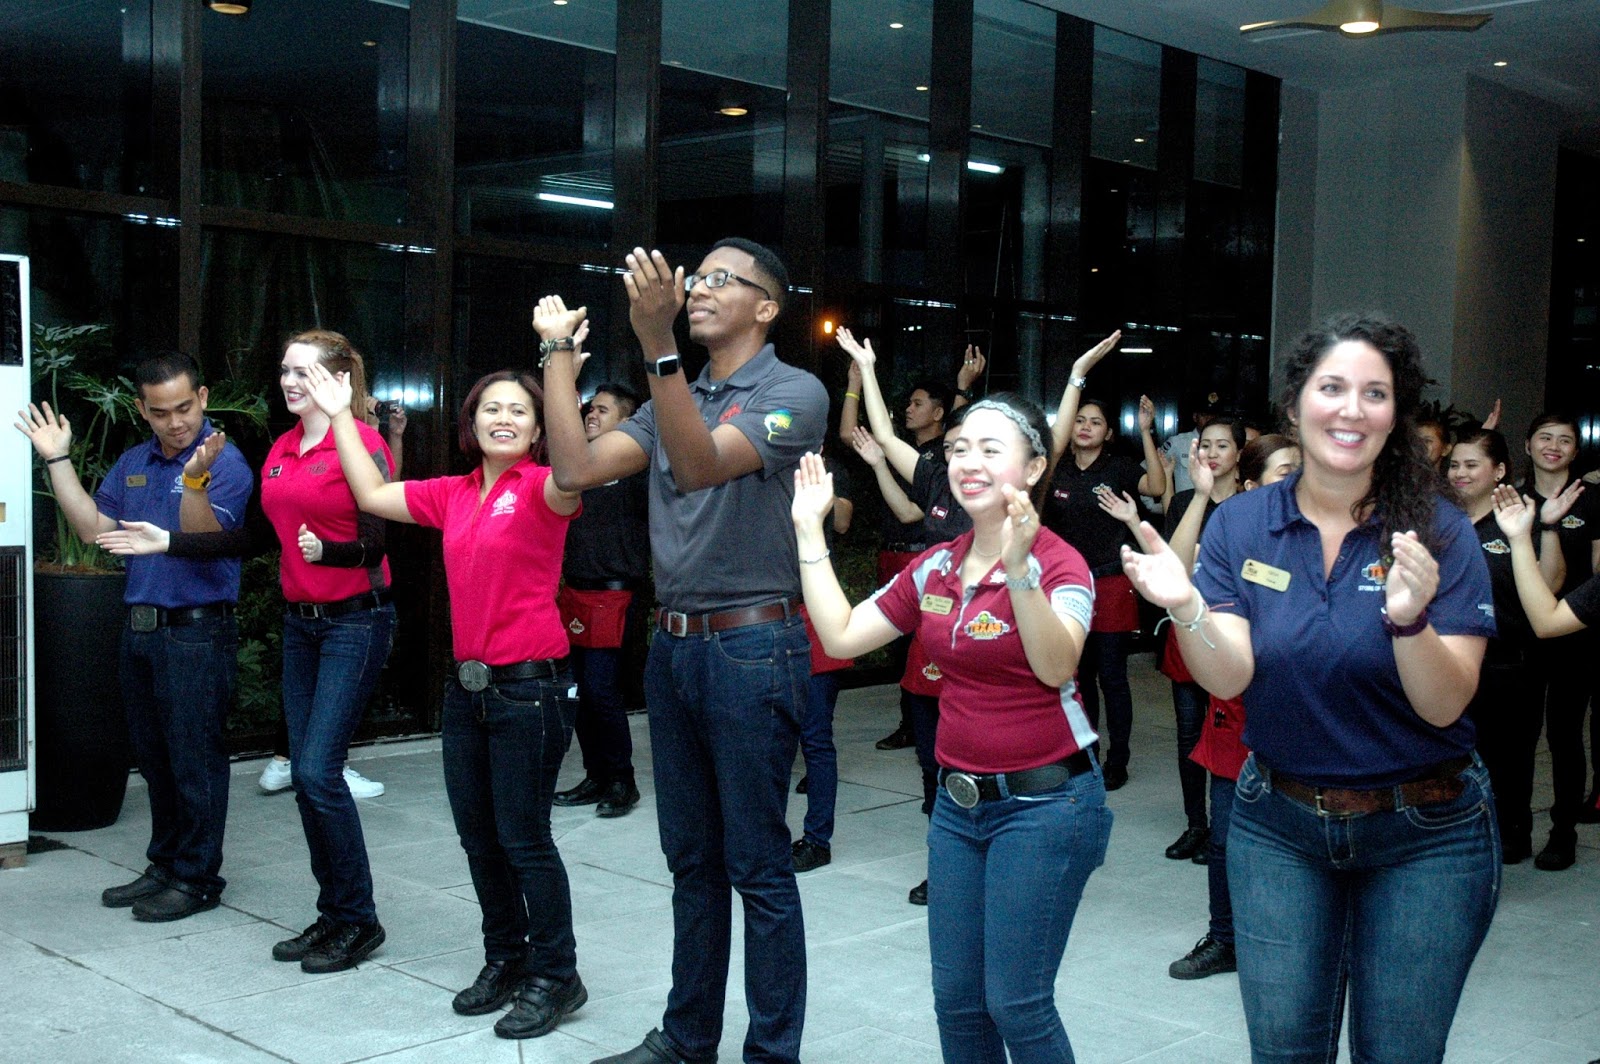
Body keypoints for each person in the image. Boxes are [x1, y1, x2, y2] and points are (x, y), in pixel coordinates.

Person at [1120, 313, 1498, 1060]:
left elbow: (1444, 703)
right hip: (1278, 826)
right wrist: (1187, 607)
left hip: (1427, 831)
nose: (1351, 409)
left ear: (1397, 414)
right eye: (1332, 388)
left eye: (1374, 393)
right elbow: (1228, 674)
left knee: (1397, 1052)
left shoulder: (1439, 533)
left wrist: (1411, 622)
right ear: (1295, 404)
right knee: (1286, 1048)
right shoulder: (1242, 526)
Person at [534, 239, 827, 1064]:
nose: (697, 290)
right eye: (694, 279)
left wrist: (656, 344)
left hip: (751, 644)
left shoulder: (791, 391)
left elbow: (699, 466)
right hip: (674, 648)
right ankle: (687, 1039)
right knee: (691, 862)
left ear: (767, 306)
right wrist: (560, 356)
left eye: (719, 281)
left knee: (758, 866)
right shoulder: (680, 389)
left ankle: (772, 1053)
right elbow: (574, 467)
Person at [794, 393, 1111, 1062]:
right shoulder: (937, 564)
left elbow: (1057, 668)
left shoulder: (1060, 563)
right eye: (960, 447)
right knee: (958, 1007)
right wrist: (806, 531)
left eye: (991, 450)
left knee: (1017, 1006)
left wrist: (1019, 569)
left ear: (1030, 469)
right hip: (957, 809)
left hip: (1047, 805)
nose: (967, 460)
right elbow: (842, 634)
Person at [98, 331, 399, 971]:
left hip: (354, 622)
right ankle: (337, 915)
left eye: (303, 372)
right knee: (306, 780)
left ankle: (358, 921)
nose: (289, 382)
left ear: (339, 380)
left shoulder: (361, 442)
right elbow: (251, 541)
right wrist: (169, 537)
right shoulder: (284, 451)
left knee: (316, 772)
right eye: (285, 371)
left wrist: (331, 553)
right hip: (302, 625)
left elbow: (377, 541)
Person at [304, 359, 587, 1039]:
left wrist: (559, 366)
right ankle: (506, 959)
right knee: (479, 839)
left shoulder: (551, 487)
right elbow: (371, 493)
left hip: (531, 691)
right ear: (471, 422)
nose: (503, 419)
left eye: (519, 410)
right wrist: (343, 414)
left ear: (539, 426)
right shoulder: (454, 493)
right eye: (491, 408)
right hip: (469, 693)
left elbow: (577, 468)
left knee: (525, 840)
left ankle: (558, 974)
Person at [17, 354, 252, 922]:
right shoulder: (134, 463)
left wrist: (194, 480)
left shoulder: (225, 461)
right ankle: (167, 865)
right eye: (161, 412)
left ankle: (197, 878)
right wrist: (58, 459)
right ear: (143, 410)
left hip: (197, 632)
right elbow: (94, 531)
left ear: (202, 396)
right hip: (142, 631)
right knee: (154, 759)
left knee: (194, 760)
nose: (176, 422)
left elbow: (204, 541)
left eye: (185, 407)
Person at [1155, 432, 1299, 980]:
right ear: (1254, 484)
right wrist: (1201, 495)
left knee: (1298, 842)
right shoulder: (1233, 531)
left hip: (1297, 711)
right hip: (1235, 708)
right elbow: (1174, 566)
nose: (1297, 480)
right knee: (1227, 837)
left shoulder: (1325, 536)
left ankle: (1297, 945)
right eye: (1284, 471)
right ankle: (1225, 939)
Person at [1039, 332, 1162, 792]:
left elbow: (1155, 487)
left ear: (1109, 432)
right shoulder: (1058, 472)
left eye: (1096, 422)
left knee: (1113, 677)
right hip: (1066, 587)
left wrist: (1147, 432)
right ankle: (1085, 751)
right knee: (1079, 674)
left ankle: (1119, 757)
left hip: (1110, 584)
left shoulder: (1119, 467)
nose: (1086, 427)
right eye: (1080, 420)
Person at [840, 353, 974, 751]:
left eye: (965, 446)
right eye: (949, 447)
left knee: (969, 711)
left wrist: (1073, 382)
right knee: (921, 699)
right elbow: (884, 435)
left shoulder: (1001, 493)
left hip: (979, 617)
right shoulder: (935, 478)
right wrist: (865, 369)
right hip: (935, 604)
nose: (955, 454)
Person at [1447, 429, 1565, 865]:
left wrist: (1543, 528)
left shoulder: (1517, 521)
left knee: (1509, 758)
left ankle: (1512, 830)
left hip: (1510, 663)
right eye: (1455, 464)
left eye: (1471, 464)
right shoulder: (1441, 522)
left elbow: (1550, 584)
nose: (1460, 473)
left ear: (1499, 471)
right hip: (1453, 661)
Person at [554, 382, 649, 818]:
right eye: (590, 409)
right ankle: (596, 775)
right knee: (575, 692)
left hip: (613, 594)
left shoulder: (636, 469)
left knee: (601, 690)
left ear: (628, 422)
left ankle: (621, 781)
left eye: (603, 410)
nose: (592, 415)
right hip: (571, 592)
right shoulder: (577, 468)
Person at [1157, 416, 1247, 861]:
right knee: (1190, 733)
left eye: (1221, 446)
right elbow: (1176, 568)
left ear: (1239, 454)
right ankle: (1197, 823)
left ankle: (1228, 828)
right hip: (1190, 631)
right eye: (1204, 445)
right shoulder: (1185, 503)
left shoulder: (1256, 504)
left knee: (1232, 737)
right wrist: (1201, 496)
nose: (1211, 453)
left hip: (1238, 637)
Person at [1517, 412, 1600, 868]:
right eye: (1545, 438)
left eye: (1564, 440)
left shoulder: (1594, 501)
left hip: (1576, 634)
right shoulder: (1510, 499)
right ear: (1527, 446)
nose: (1554, 446)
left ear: (1575, 450)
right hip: (1522, 636)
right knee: (1520, 737)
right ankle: (1515, 828)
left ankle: (1563, 831)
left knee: (1565, 735)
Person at [790, 442, 854, 873]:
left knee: (815, 737)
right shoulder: (756, 474)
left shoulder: (826, 474)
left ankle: (817, 839)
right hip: (766, 614)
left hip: (813, 614)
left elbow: (845, 523)